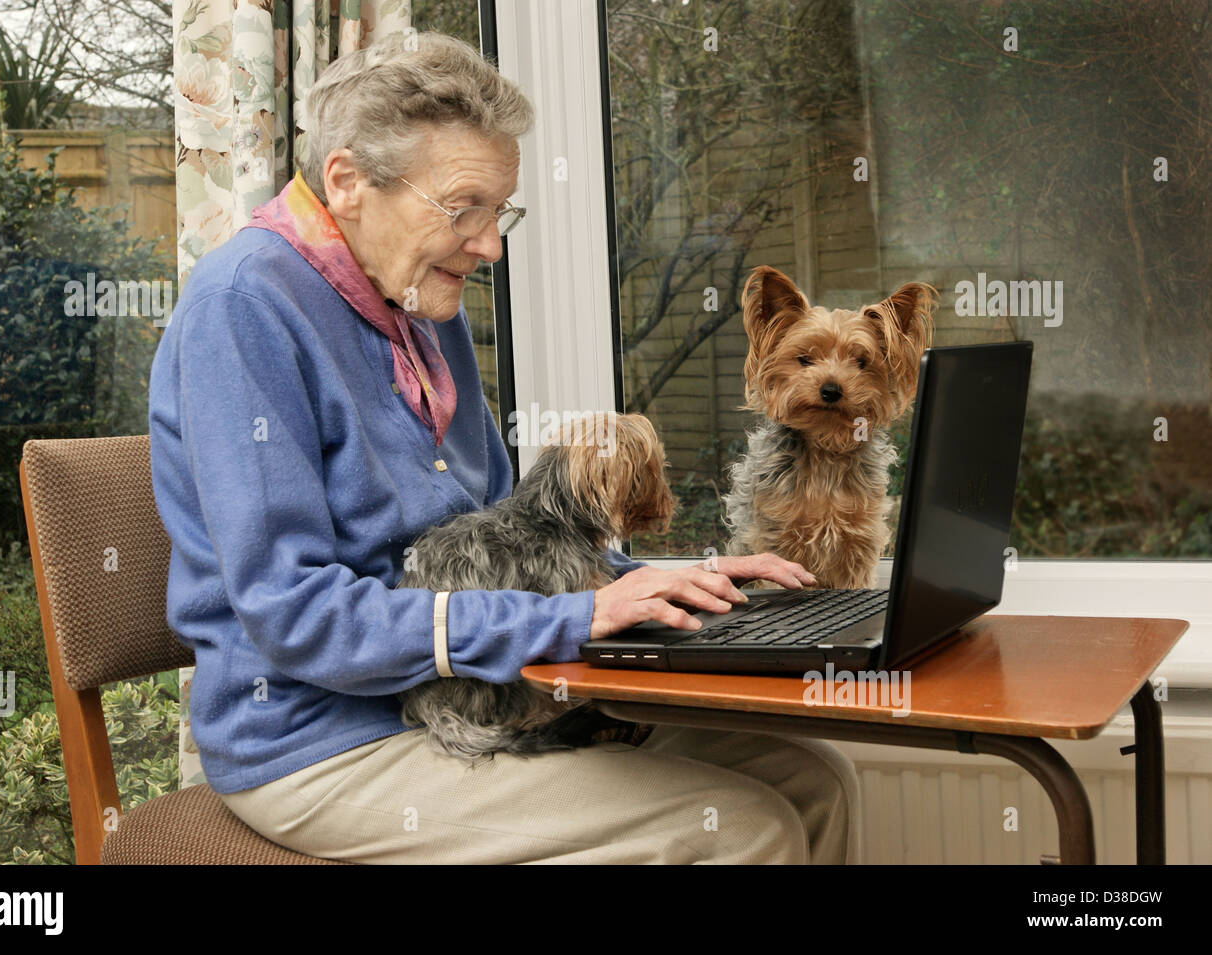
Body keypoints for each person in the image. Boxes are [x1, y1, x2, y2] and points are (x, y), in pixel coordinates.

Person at [148, 30, 862, 864]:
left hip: (480, 699)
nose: (490, 245)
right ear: (346, 182)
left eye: (500, 212)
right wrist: (574, 616)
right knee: (746, 830)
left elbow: (502, 543)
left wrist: (651, 582)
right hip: (326, 737)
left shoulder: (418, 302)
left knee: (815, 778)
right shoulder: (243, 310)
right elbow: (292, 613)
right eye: (464, 209)